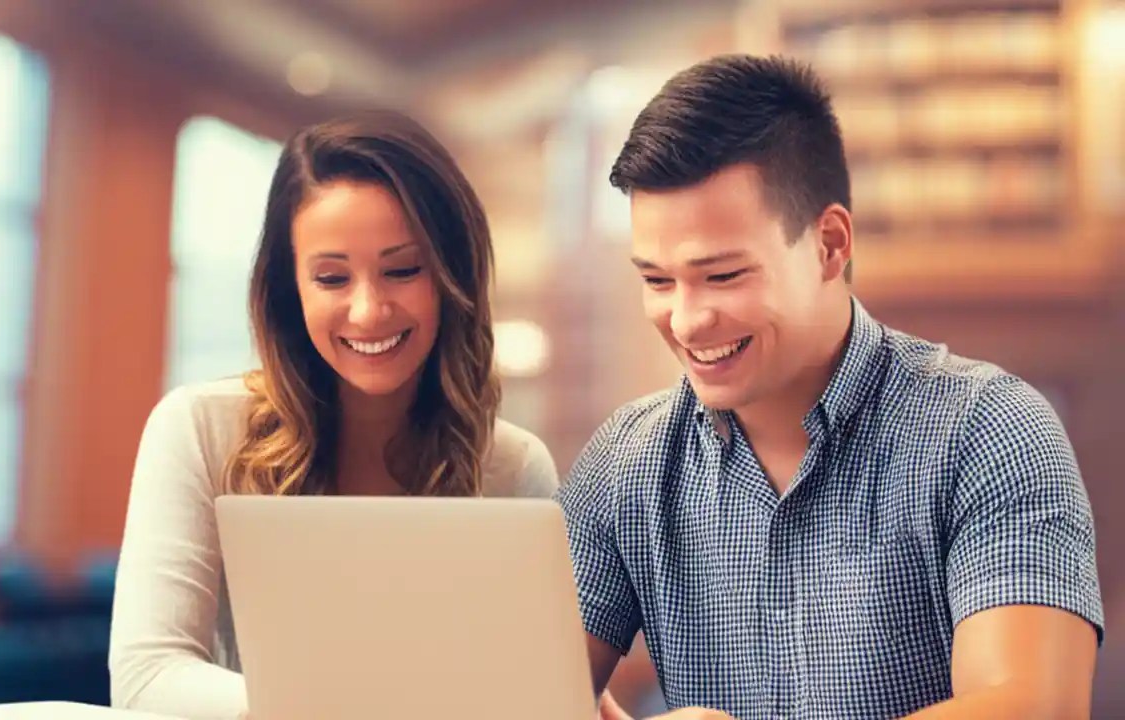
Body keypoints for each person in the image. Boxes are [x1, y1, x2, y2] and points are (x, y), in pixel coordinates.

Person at [558, 54, 1102, 720]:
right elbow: (517, 690)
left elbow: (1033, 708)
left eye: (723, 276)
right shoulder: (626, 462)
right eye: (657, 281)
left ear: (830, 244)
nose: (686, 320)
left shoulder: (988, 429)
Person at [108, 110, 559, 720]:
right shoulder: (198, 428)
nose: (368, 311)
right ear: (290, 289)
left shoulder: (514, 466)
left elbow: (528, 686)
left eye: (402, 270)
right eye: (331, 278)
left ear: (452, 275)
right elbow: (147, 677)